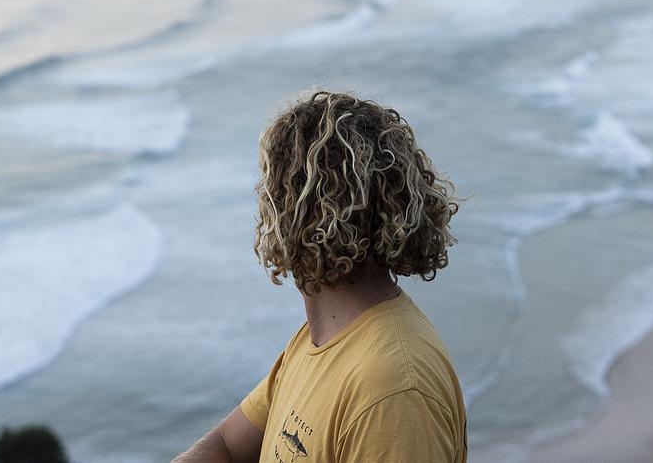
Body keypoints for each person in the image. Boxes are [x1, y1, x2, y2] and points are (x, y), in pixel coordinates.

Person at [174, 90, 469, 463]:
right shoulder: (320, 342)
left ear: (296, 216)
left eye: (273, 193)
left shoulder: (391, 389)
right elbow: (227, 447)